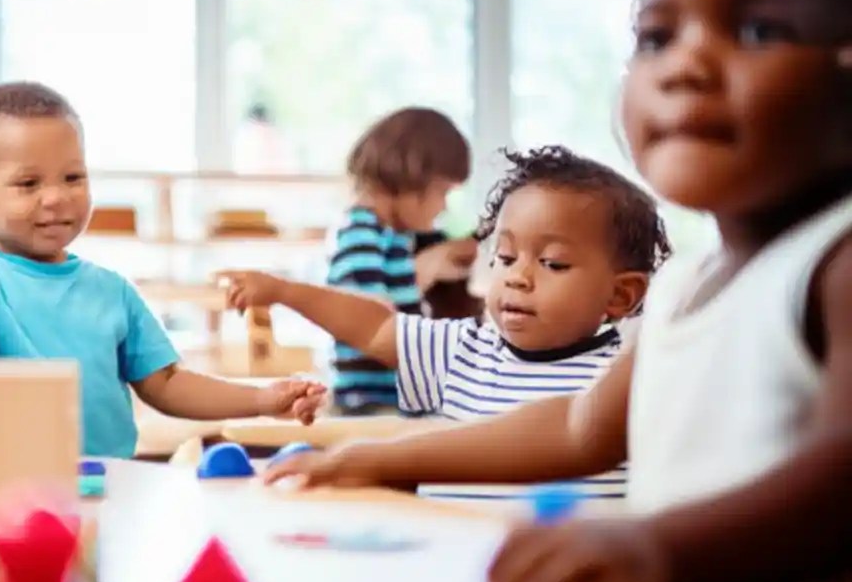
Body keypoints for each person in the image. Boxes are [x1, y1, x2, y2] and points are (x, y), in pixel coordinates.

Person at [266, 0, 852, 582]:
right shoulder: (685, 289)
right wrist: (372, 457)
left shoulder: (836, 262)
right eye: (656, 37)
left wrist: (655, 547)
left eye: (757, 30)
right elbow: (580, 427)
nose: (686, 63)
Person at [0, 82, 326, 458]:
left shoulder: (113, 291)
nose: (56, 197)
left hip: (109, 479)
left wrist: (261, 400)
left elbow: (166, 385)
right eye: (29, 184)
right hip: (2, 479)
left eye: (73, 177)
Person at [224, 145, 669, 423]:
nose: (516, 276)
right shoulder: (462, 351)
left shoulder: (632, 376)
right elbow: (375, 327)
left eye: (552, 263)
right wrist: (284, 291)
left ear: (619, 295)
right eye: (505, 257)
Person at [321, 107, 477, 415]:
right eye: (442, 192)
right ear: (411, 179)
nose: (443, 207)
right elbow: (368, 325)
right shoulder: (360, 234)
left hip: (394, 404)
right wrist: (423, 270)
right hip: (370, 408)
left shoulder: (394, 237)